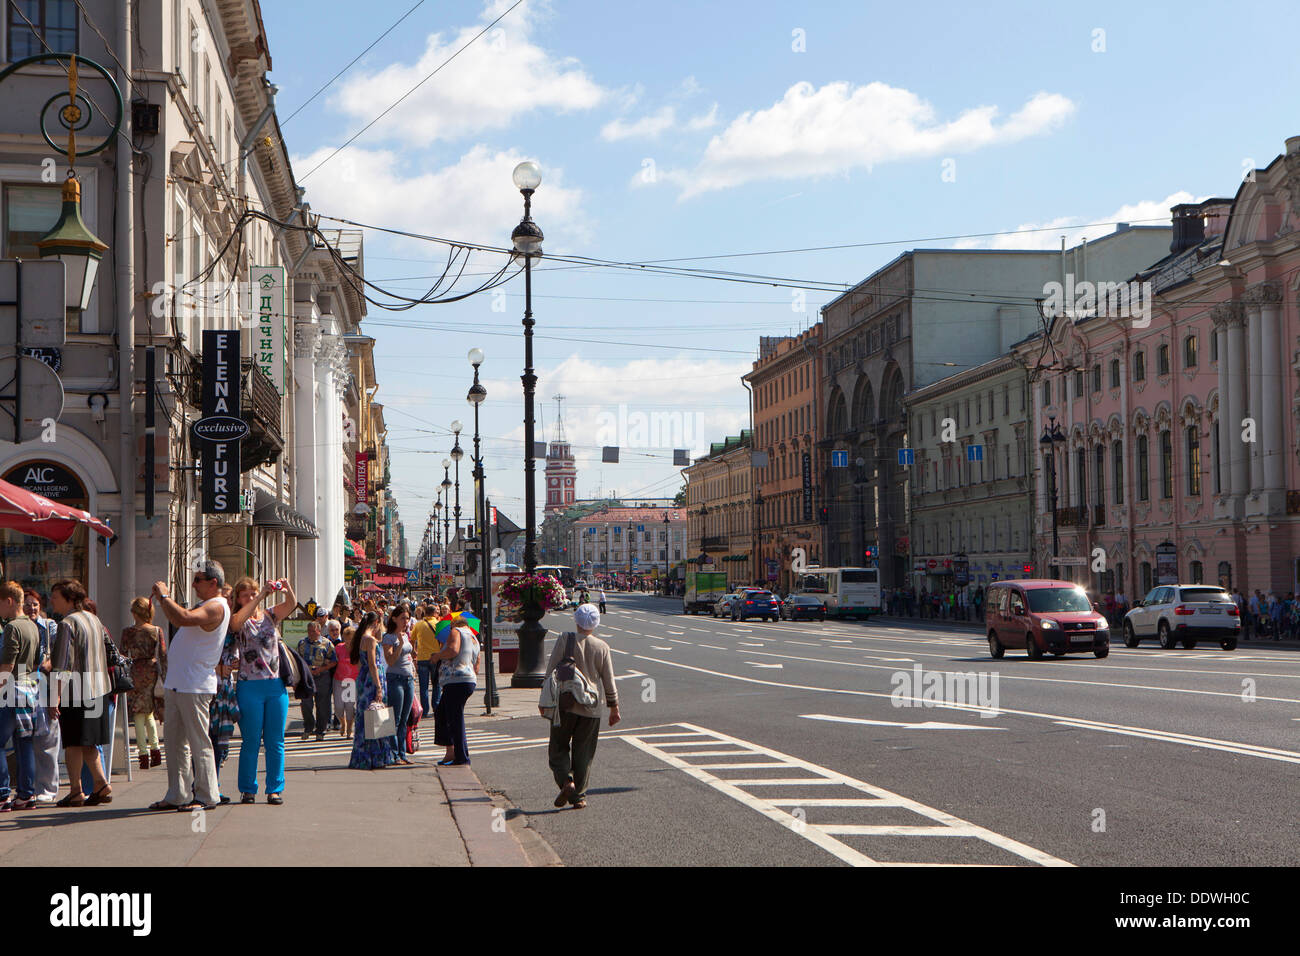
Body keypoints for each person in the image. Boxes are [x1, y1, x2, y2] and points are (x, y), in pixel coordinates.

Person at [148, 561, 230, 812]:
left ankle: (207, 795)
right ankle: (178, 794)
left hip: (195, 685)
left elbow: (182, 618)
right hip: (180, 683)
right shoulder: (208, 604)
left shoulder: (216, 606)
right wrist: (164, 600)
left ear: (212, 583)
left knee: (198, 742)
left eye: (198, 579)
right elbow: (178, 617)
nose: (193, 584)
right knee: (175, 743)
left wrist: (164, 595)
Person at [541, 603, 620, 810]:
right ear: (596, 623)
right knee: (584, 753)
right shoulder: (602, 647)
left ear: (576, 620)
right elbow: (608, 680)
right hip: (591, 707)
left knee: (557, 748)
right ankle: (579, 798)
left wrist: (544, 701)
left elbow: (550, 673)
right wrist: (614, 707)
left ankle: (567, 782)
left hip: (564, 705)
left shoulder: (564, 639)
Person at [226, 577, 295, 805]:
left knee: (276, 741)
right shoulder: (240, 618)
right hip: (249, 685)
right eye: (245, 594)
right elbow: (235, 623)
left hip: (274, 685)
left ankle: (275, 788)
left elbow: (291, 605)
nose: (250, 597)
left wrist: (287, 589)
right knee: (251, 741)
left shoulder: (269, 615)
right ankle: (248, 789)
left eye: (253, 592)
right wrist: (259, 598)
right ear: (238, 598)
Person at [48, 580, 114, 807]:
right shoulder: (94, 619)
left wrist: (54, 696)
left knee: (73, 742)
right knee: (89, 742)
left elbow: (62, 664)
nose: (51, 601)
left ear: (68, 598)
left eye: (55, 596)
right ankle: (101, 783)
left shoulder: (67, 623)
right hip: (99, 688)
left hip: (77, 690)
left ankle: (76, 790)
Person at [0, 581, 41, 811]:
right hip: (29, 689)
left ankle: (2, 793)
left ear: (9, 601)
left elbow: (7, 664)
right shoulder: (33, 626)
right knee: (24, 743)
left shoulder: (12, 627)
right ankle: (27, 794)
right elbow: (36, 660)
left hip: (10, 690)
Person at [23, 589, 61, 804]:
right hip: (24, 685)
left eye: (35, 604)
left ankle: (48, 788)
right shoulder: (16, 627)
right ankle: (29, 787)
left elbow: (61, 652)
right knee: (26, 738)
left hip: (45, 684)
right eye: (27, 604)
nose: (32, 608)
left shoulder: (49, 627)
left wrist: (50, 663)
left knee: (47, 738)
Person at [120, 596, 166, 771]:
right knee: (149, 712)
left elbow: (123, 654)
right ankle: (155, 750)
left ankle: (143, 755)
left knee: (138, 714)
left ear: (134, 612)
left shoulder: (127, 632)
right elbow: (162, 653)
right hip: (151, 670)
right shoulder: (156, 630)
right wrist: (165, 675)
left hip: (135, 671)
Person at [348, 612, 398, 770]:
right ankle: (376, 756)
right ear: (376, 622)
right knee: (376, 716)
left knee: (366, 717)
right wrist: (378, 686)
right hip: (372, 678)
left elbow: (359, 663)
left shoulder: (361, 638)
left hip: (363, 678)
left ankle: (362, 756)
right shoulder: (369, 640)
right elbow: (373, 664)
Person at [434, 611, 480, 766]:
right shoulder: (473, 637)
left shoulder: (456, 631)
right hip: (467, 679)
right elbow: (477, 661)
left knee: (454, 718)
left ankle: (460, 757)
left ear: (454, 624)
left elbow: (452, 650)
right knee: (444, 713)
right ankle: (453, 752)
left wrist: (438, 656)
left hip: (456, 679)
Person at [381, 604, 416, 766]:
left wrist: (413, 667)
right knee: (394, 719)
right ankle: (394, 754)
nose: (406, 621)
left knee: (404, 720)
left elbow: (408, 656)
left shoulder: (406, 635)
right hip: (395, 678)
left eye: (407, 618)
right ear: (394, 618)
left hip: (408, 679)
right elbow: (390, 660)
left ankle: (402, 753)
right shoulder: (388, 637)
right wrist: (400, 644)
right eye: (402, 618)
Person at [297, 619, 336, 742]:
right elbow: (298, 660)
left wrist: (322, 669)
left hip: (322, 677)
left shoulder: (327, 643)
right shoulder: (302, 643)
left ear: (319, 631)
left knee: (322, 705)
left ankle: (321, 730)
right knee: (306, 704)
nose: (311, 633)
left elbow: (334, 661)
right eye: (309, 631)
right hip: (307, 677)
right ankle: (308, 726)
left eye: (313, 631)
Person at [412, 603, 442, 717]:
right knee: (436, 684)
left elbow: (412, 639)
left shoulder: (419, 625)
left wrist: (414, 651)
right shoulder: (439, 624)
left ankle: (424, 710)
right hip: (436, 657)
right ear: (434, 613)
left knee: (423, 686)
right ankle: (436, 707)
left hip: (422, 658)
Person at [334, 625, 358, 739]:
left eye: (351, 638)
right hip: (339, 679)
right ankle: (342, 722)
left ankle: (349, 728)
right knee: (338, 707)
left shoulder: (357, 649)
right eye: (347, 638)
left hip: (352, 681)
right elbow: (333, 661)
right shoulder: (339, 647)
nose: (349, 640)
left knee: (349, 707)